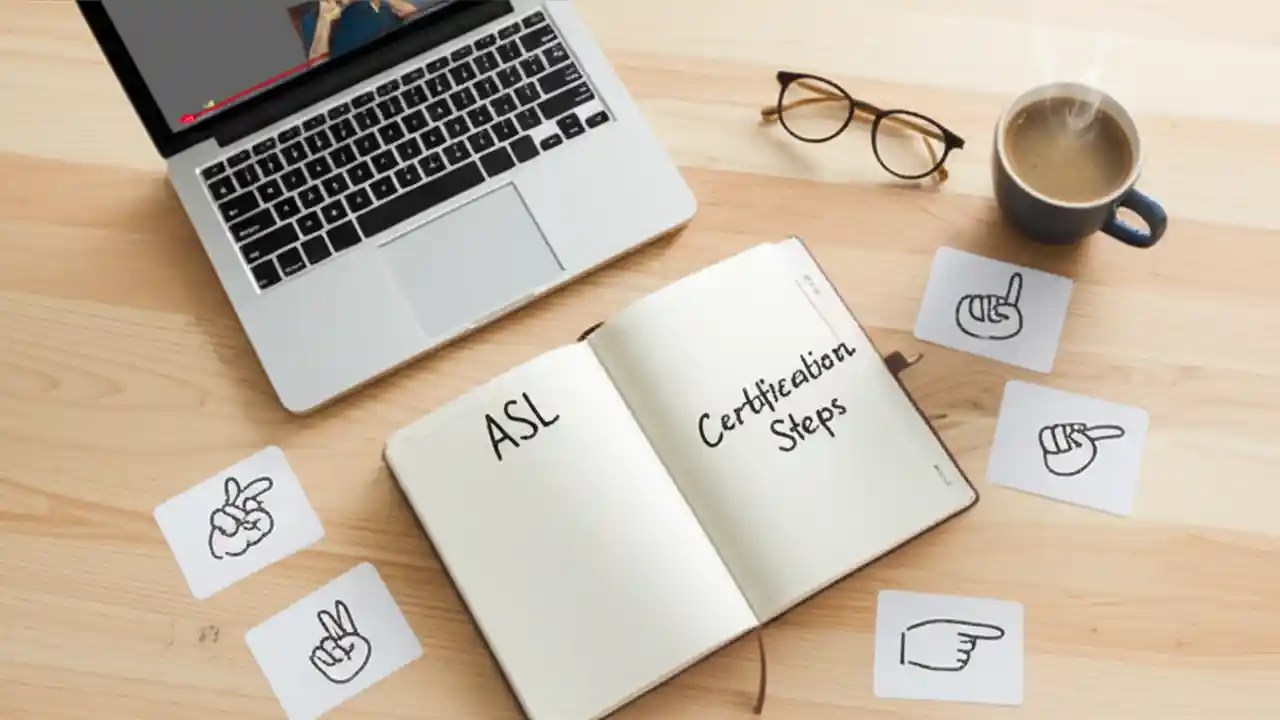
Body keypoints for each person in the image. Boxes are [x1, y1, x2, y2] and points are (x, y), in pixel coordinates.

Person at [302, 0, 424, 61]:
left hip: (402, 57)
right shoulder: (313, 20)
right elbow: (317, 65)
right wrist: (324, 20)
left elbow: (421, 20)